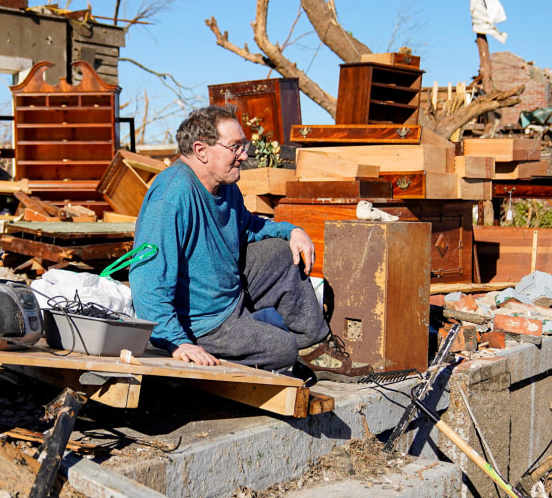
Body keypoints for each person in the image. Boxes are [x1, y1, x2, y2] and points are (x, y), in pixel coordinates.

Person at [127, 106, 370, 378]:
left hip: (228, 290)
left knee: (282, 253)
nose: (244, 155)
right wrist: (176, 341)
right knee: (283, 348)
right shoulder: (171, 196)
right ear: (201, 150)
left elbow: (248, 227)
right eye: (235, 147)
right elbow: (147, 279)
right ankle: (208, 350)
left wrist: (291, 231)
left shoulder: (226, 187)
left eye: (244, 145)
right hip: (202, 322)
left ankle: (316, 350)